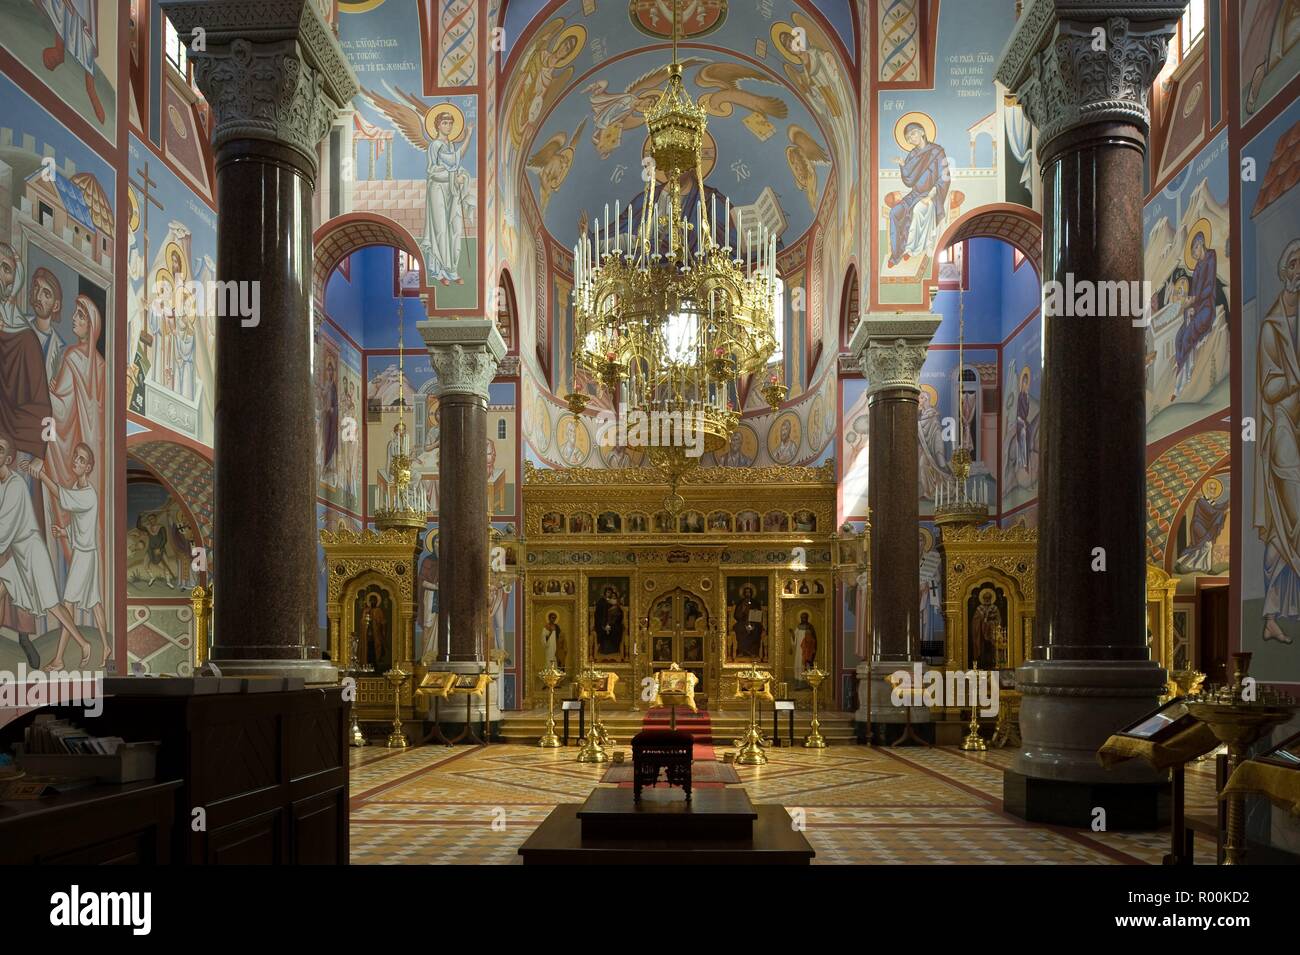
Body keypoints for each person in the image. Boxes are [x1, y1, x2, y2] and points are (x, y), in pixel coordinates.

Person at [0, 433, 88, 670]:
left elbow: (4, 529)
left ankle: (83, 643)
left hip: (31, 552)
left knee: (53, 605)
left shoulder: (15, 484)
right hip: (19, 555)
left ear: (8, 459)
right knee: (1, 589)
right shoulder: (2, 484)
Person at [24, 444, 109, 667]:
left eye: (81, 460)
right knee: (95, 602)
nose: (76, 462)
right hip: (85, 551)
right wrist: (65, 532)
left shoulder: (88, 494)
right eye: (75, 458)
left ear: (88, 467)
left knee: (68, 602)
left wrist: (42, 475)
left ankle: (61, 657)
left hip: (85, 555)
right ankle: (107, 646)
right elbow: (83, 523)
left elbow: (62, 496)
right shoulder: (78, 488)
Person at [1255, 237, 1300, 644]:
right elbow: (1269, 388)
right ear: (1285, 271)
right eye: (1296, 262)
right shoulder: (1271, 326)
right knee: (1289, 516)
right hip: (1284, 425)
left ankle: (1273, 613)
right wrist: (1292, 379)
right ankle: (1271, 613)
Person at [0, 245, 54, 461]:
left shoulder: (26, 339)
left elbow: (42, 405)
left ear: (14, 282)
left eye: (5, 268)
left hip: (12, 445)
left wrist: (40, 454)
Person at [887, 121, 950, 268]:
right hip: (914, 194)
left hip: (931, 195)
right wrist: (903, 165)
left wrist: (930, 196)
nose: (911, 139)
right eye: (908, 138)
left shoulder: (937, 152)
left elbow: (944, 178)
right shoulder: (912, 155)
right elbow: (909, 181)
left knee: (918, 210)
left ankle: (912, 249)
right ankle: (897, 254)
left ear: (922, 132)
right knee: (894, 213)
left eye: (913, 134)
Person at [423, 111, 473, 286]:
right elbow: (435, 170)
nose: (448, 126)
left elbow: (456, 161)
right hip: (437, 189)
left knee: (454, 229)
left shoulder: (450, 145)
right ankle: (439, 272)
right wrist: (454, 177)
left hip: (451, 190)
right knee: (441, 230)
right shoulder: (435, 145)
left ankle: (452, 270)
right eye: (445, 123)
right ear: (437, 125)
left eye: (450, 123)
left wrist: (468, 135)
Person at [970, 589, 1001, 670]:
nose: (987, 600)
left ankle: (993, 663)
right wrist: (981, 621)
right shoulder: (979, 608)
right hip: (981, 634)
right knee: (982, 650)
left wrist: (991, 623)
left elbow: (999, 621)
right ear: (983, 598)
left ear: (991, 598)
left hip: (992, 634)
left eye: (988, 598)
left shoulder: (994, 608)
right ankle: (981, 664)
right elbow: (975, 621)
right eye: (985, 598)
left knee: (992, 650)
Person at [732, 584, 765, 659]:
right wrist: (743, 609)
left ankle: (753, 652)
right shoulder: (740, 603)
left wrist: (755, 612)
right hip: (742, 622)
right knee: (740, 629)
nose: (747, 594)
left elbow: (759, 614)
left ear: (751, 593)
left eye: (749, 592)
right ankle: (741, 651)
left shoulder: (755, 603)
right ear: (743, 593)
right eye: (746, 592)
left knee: (756, 630)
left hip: (754, 622)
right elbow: (736, 616)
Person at [594, 586, 624, 658]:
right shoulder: (601, 601)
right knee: (604, 633)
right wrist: (604, 625)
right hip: (601, 624)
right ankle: (603, 650)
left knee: (616, 630)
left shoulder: (614, 602)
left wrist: (611, 624)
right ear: (605, 593)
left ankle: (615, 650)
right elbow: (598, 615)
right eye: (607, 592)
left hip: (613, 624)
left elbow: (619, 615)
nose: (609, 594)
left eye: (610, 593)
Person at [792, 612, 816, 681]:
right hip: (799, 649)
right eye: (802, 618)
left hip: (807, 649)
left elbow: (814, 639)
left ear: (807, 618)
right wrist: (792, 634)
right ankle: (799, 677)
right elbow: (794, 637)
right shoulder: (798, 627)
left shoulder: (810, 627)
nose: (803, 619)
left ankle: (807, 678)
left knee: (806, 662)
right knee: (799, 661)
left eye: (805, 617)